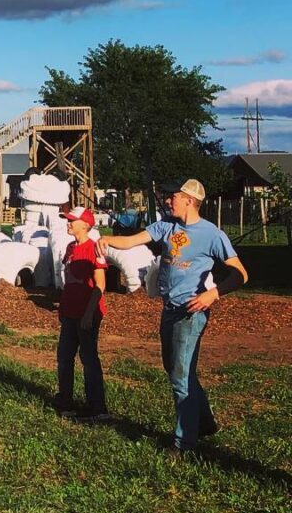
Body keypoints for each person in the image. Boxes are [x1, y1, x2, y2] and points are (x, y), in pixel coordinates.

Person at [103, 179, 247, 455]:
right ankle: (204, 423)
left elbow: (240, 273)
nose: (169, 201)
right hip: (170, 309)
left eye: (174, 197)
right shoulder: (166, 225)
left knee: (180, 376)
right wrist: (108, 239)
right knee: (176, 369)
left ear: (190, 201)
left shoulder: (212, 234)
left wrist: (212, 294)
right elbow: (133, 240)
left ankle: (184, 444)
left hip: (191, 313)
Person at [53, 206, 110, 421]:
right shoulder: (69, 248)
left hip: (87, 313)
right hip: (69, 312)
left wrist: (88, 314)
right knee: (64, 357)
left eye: (72, 221)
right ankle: (65, 402)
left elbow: (100, 286)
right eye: (67, 220)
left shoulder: (93, 248)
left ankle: (97, 407)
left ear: (85, 225)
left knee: (88, 357)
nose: (68, 223)